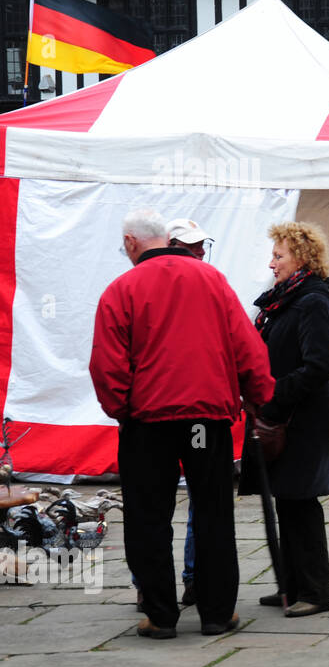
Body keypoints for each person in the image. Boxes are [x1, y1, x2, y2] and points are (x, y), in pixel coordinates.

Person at [90, 208, 274, 639]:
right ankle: (216, 613)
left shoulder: (121, 289)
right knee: (213, 512)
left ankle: (159, 613)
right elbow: (247, 346)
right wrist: (261, 397)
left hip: (148, 421)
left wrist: (122, 409)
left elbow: (106, 364)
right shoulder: (212, 281)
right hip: (205, 418)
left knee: (147, 516)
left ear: (132, 243)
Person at [240, 222, 329, 618]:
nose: (272, 262)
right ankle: (292, 584)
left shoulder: (312, 300)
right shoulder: (285, 299)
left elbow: (321, 365)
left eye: (279, 255)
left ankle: (315, 592)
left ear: (301, 257)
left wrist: (273, 394)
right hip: (285, 416)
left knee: (301, 504)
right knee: (287, 500)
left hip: (301, 419)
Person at [128, 217, 216, 612]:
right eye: (192, 246)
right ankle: (154, 587)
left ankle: (186, 583)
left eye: (202, 246)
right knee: (156, 506)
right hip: (169, 414)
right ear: (173, 246)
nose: (199, 253)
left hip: (182, 414)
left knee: (180, 503)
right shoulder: (205, 283)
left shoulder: (207, 281)